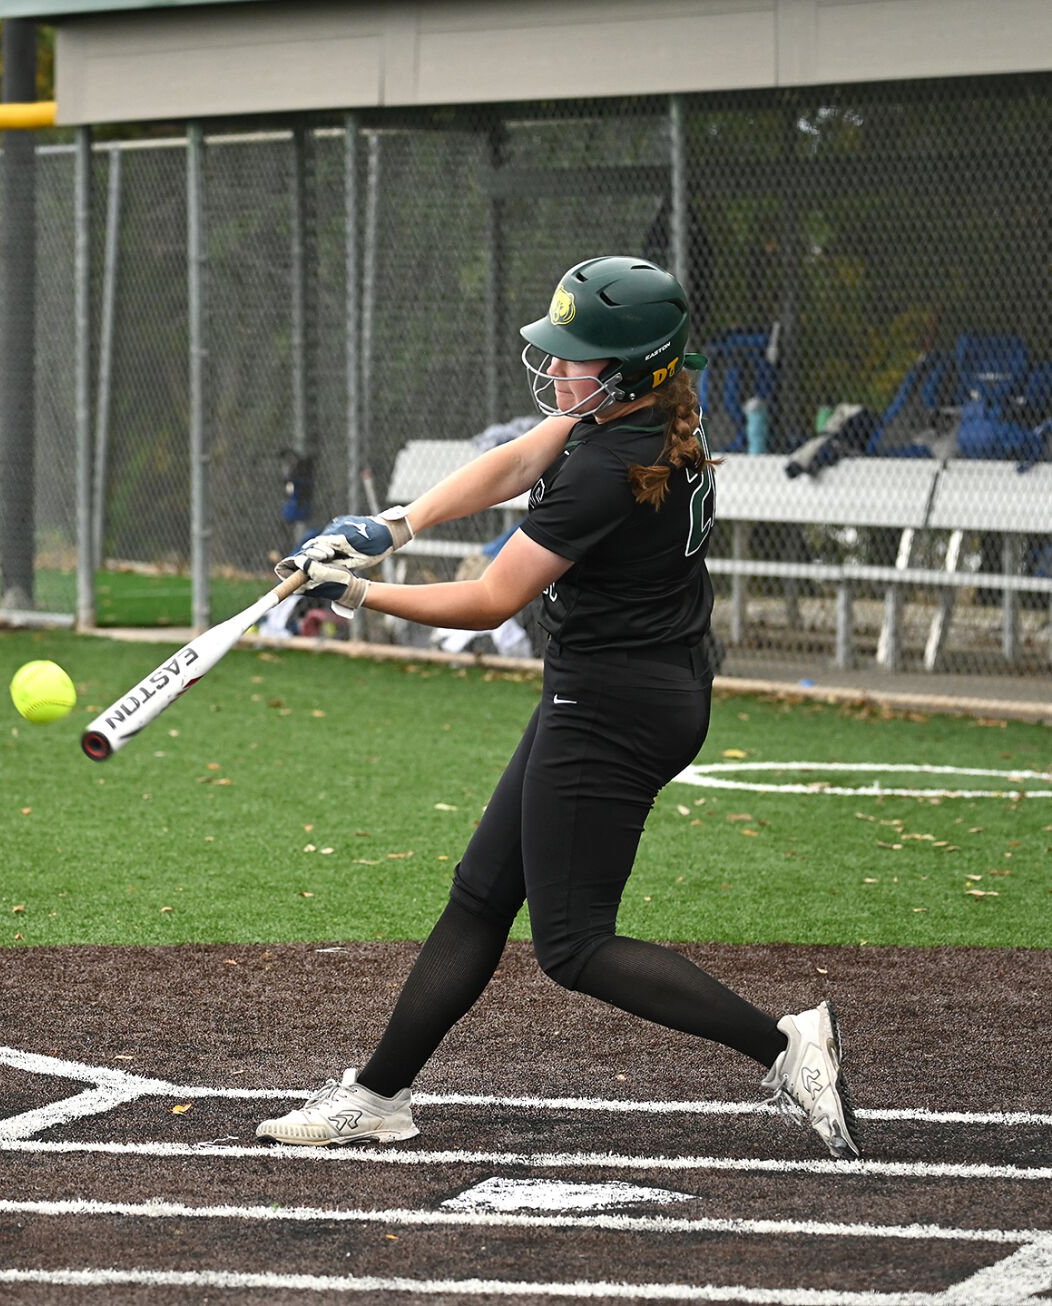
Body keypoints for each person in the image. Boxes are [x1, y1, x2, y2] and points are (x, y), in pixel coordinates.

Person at [256, 256, 860, 1160]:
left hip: (613, 704)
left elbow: (490, 600)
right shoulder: (642, 415)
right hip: (631, 685)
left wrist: (358, 596)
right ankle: (379, 1095)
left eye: (580, 357)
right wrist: (392, 528)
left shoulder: (611, 466)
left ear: (631, 368)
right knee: (480, 896)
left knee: (574, 945)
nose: (560, 369)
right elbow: (518, 457)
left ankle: (784, 1044)